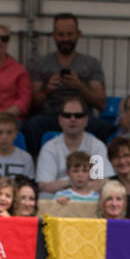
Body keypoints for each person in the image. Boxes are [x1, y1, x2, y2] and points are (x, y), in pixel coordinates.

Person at [24, 13, 110, 154]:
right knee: (32, 126)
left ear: (78, 34)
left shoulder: (91, 63)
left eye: (69, 34)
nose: (65, 39)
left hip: (82, 116)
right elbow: (31, 105)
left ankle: (98, 173)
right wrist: (47, 91)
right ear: (53, 35)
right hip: (51, 115)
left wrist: (79, 86)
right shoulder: (40, 64)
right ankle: (36, 169)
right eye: (61, 34)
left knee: (104, 128)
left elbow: (101, 103)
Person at [36, 96, 113, 194]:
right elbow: (44, 186)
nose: (72, 119)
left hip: (90, 201)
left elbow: (102, 182)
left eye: (78, 115)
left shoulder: (97, 146)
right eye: (67, 115)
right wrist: (74, 182)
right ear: (60, 120)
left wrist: (71, 185)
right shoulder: (49, 148)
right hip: (57, 202)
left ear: (86, 120)